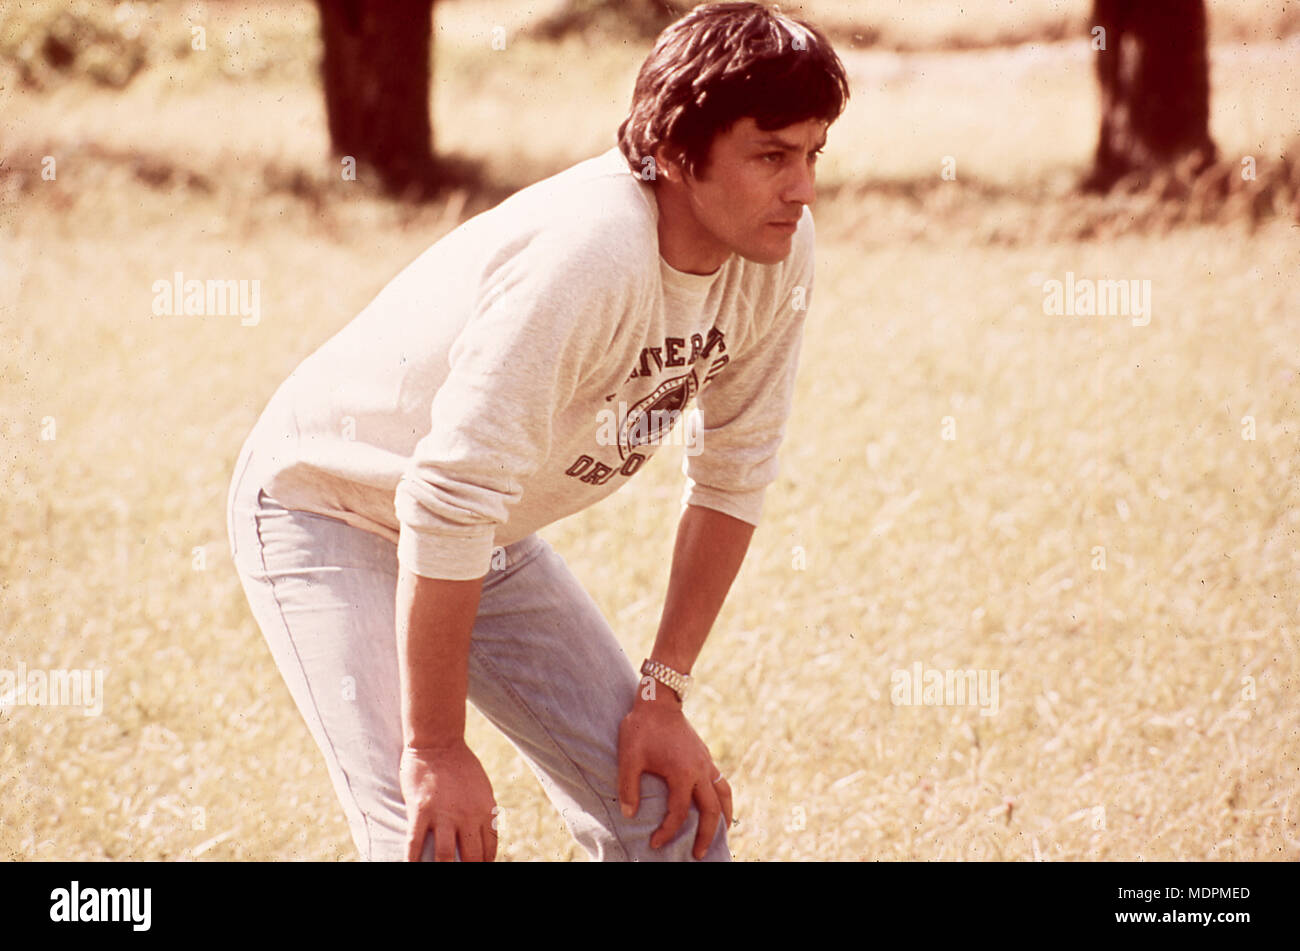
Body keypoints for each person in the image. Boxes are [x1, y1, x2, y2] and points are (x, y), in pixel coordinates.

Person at [226, 0, 849, 862]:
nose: (803, 187)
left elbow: (733, 474)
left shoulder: (778, 250)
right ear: (675, 153)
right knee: (427, 840)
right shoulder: (590, 254)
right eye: (772, 156)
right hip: (332, 505)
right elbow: (445, 497)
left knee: (673, 822)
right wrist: (435, 748)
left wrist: (660, 696)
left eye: (814, 152)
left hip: (481, 532)